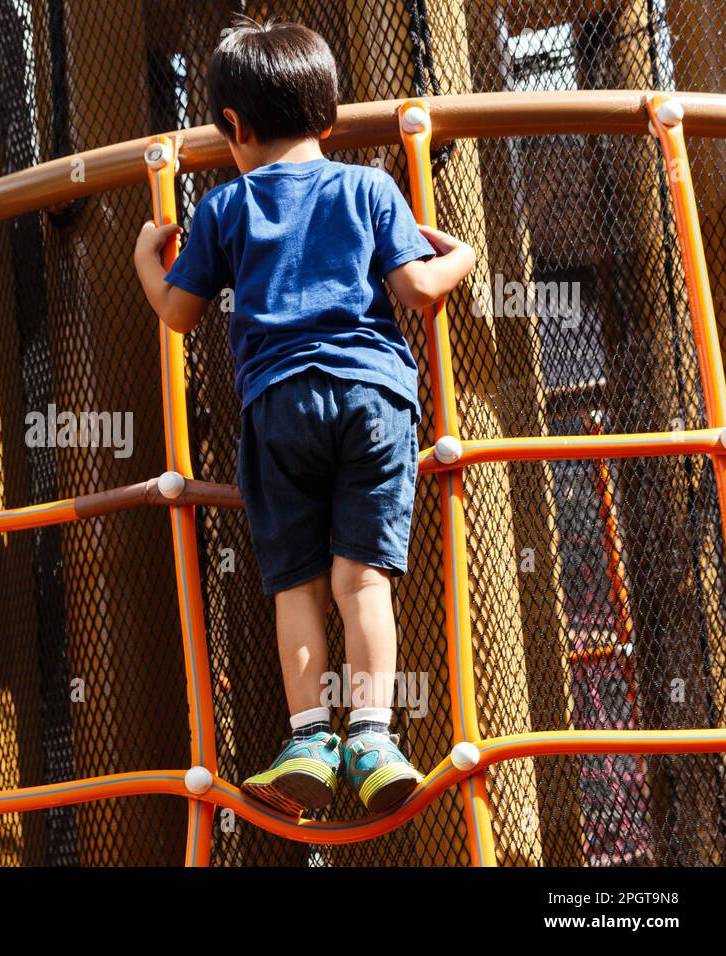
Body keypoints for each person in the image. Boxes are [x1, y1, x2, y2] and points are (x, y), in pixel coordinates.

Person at [132, 18, 475, 815]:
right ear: (327, 118)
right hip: (375, 399)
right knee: (364, 583)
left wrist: (150, 260)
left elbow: (179, 315)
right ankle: (376, 738)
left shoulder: (223, 206)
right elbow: (419, 294)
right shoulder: (369, 188)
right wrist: (459, 255)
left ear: (233, 129)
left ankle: (309, 737)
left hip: (278, 404)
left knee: (297, 582)